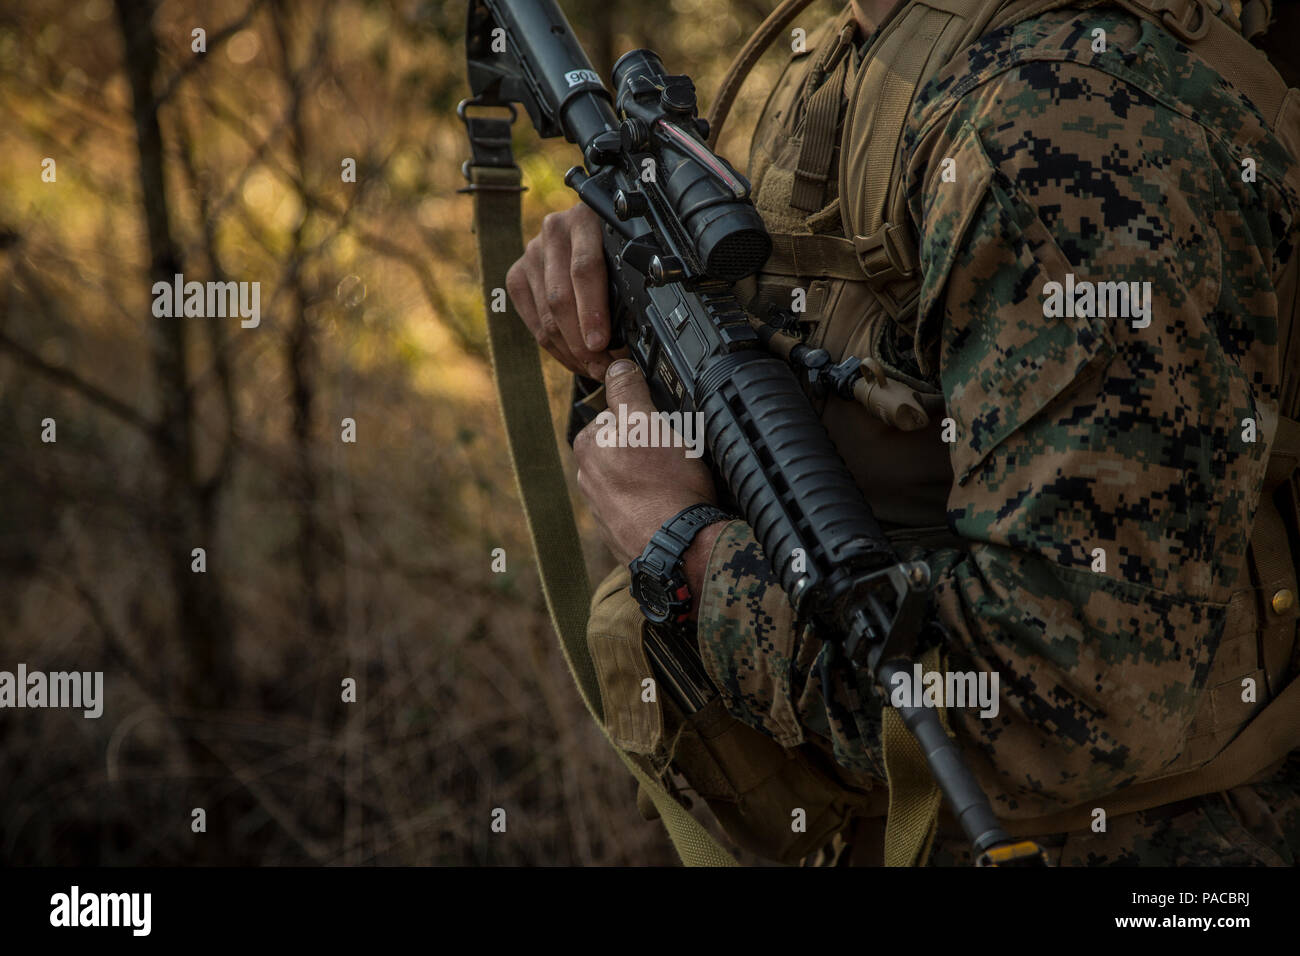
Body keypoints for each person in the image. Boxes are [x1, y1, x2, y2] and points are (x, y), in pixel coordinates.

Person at [506, 0, 1300, 865]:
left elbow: (1069, 696)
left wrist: (693, 558)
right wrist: (628, 298)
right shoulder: (858, 51)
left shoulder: (1050, 118)